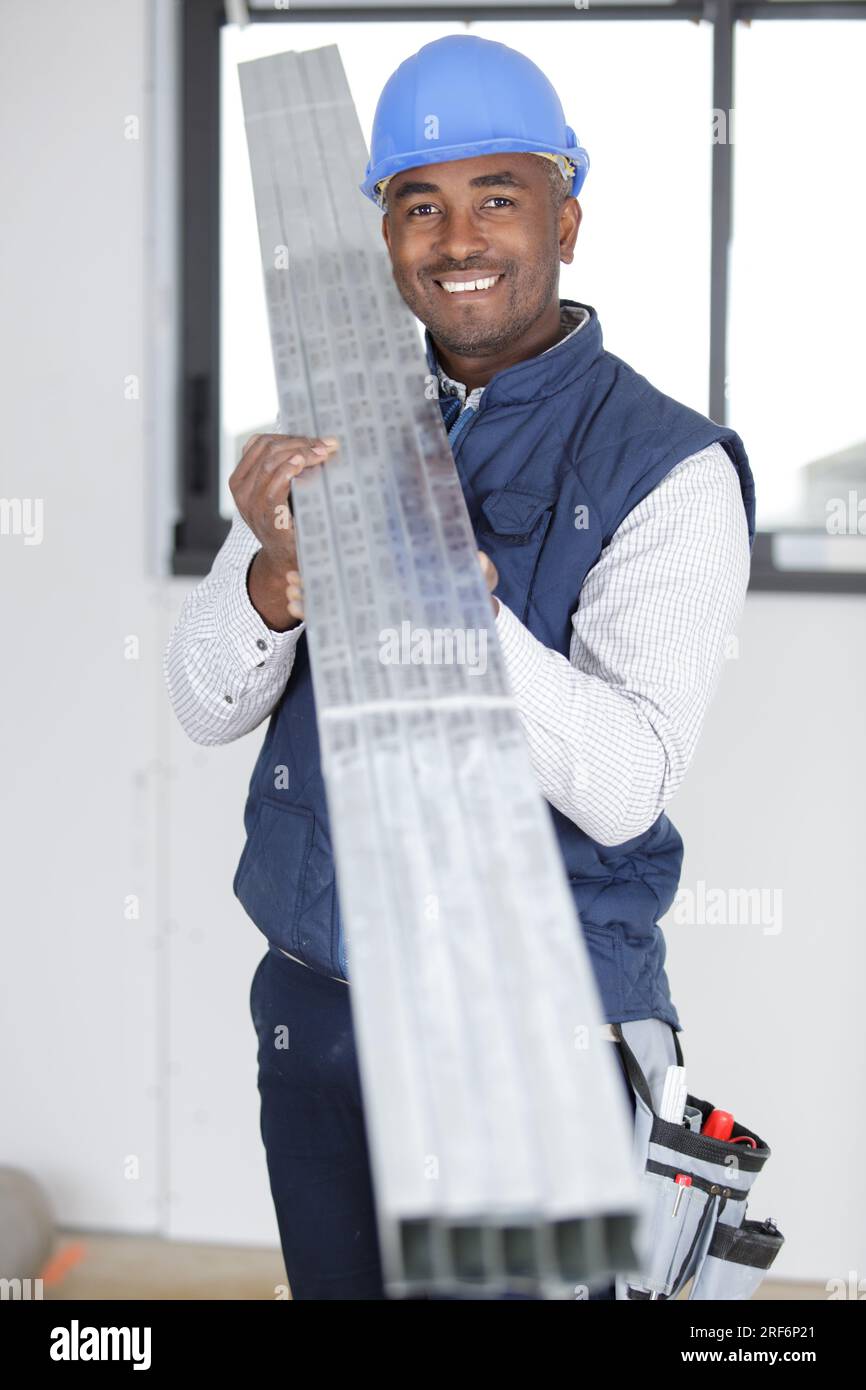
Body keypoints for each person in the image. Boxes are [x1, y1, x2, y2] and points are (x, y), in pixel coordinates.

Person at [164, 33, 754, 1300]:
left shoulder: (670, 467)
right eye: (418, 205)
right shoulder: (328, 424)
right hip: (317, 1008)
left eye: (498, 195)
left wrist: (449, 609)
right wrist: (275, 576)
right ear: (384, 238)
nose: (456, 237)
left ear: (567, 219)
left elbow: (621, 779)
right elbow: (203, 701)